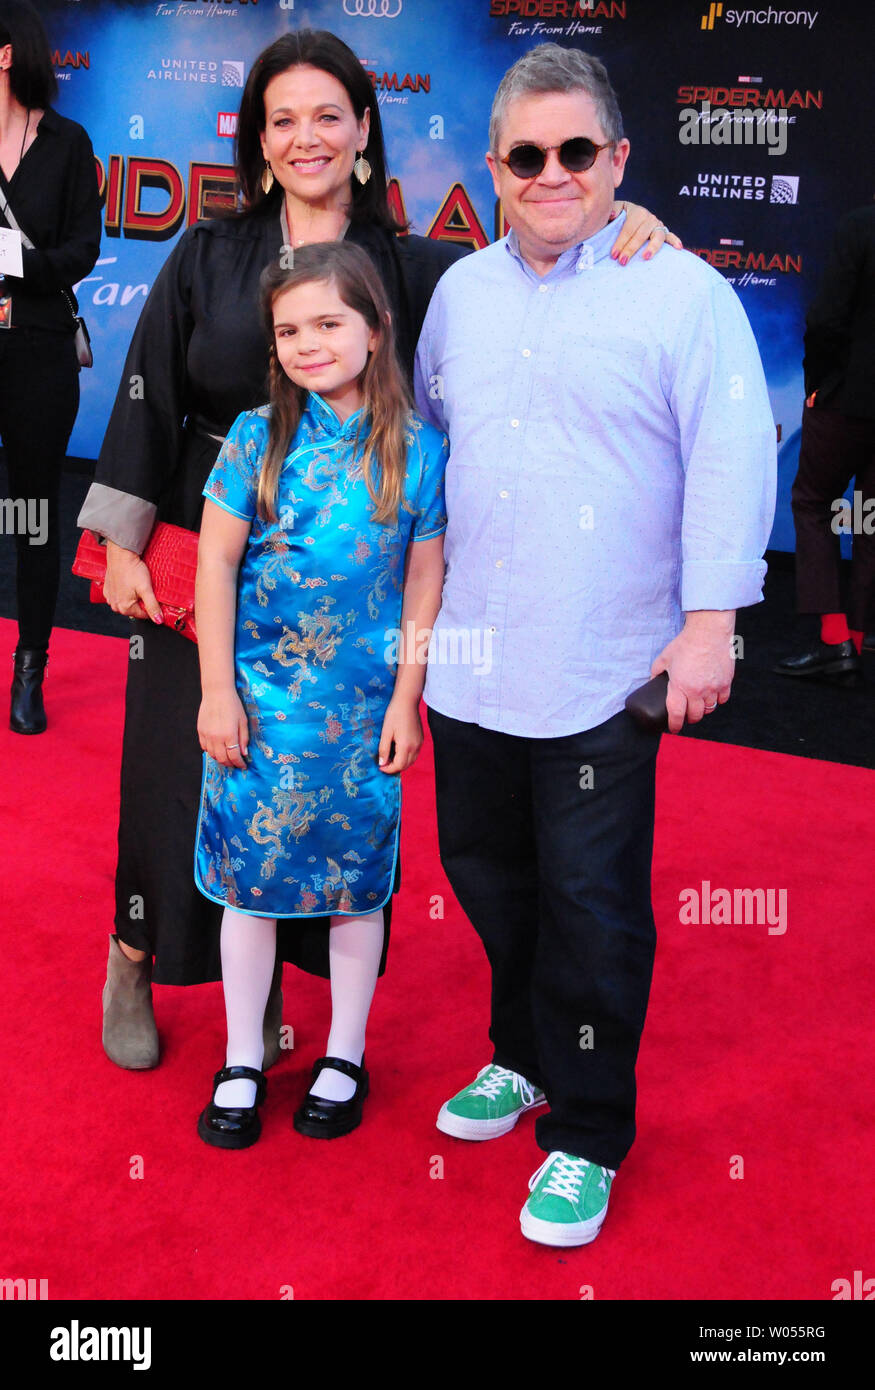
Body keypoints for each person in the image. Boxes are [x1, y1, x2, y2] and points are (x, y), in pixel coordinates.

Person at [75, 28, 675, 1075]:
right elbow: (147, 393)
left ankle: (254, 997)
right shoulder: (208, 254)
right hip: (209, 561)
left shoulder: (419, 266)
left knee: (314, 793)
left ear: (362, 131)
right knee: (182, 771)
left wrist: (619, 220)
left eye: (326, 116)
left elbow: (535, 254)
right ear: (257, 144)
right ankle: (135, 949)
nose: (304, 138)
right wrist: (118, 539)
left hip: (347, 590)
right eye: (281, 120)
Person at [414, 43, 776, 1246]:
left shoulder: (680, 292)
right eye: (528, 154)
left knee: (592, 905)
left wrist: (710, 623)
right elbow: (427, 444)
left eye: (578, 150)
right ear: (496, 169)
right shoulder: (459, 292)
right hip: (470, 663)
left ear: (618, 159)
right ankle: (519, 1055)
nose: (553, 172)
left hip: (604, 671)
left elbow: (732, 458)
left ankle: (585, 1130)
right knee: (484, 873)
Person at [194, 241, 447, 1145]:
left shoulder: (419, 452)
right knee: (246, 888)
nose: (308, 344)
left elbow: (424, 585)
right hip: (259, 712)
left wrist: (406, 698)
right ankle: (240, 1057)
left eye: (329, 323)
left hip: (362, 716)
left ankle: (344, 1051)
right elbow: (215, 566)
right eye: (288, 330)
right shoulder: (256, 437)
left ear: (375, 331)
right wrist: (216, 690)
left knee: (356, 890)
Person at [0, 0, 100, 733]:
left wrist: (9, 259)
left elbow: (79, 253)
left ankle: (30, 662)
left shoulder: (67, 144)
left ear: (7, 54)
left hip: (36, 350)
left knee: (33, 511)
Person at [775, 202, 875, 686]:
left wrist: (819, 380)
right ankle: (856, 640)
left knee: (814, 504)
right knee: (870, 518)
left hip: (847, 397)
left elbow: (828, 317)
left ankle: (835, 642)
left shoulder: (861, 223)